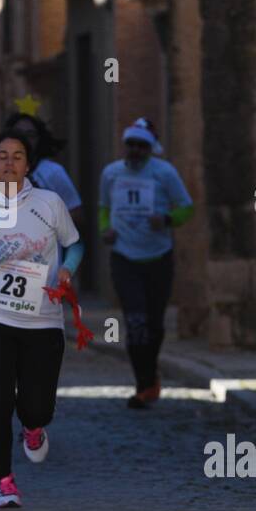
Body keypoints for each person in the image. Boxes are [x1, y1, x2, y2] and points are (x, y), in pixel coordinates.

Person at [0, 130, 82, 508]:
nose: (10, 163)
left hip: (43, 322)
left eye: (18, 156)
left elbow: (75, 243)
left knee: (38, 406)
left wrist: (68, 269)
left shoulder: (49, 203)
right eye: (2, 156)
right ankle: (4, 482)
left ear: (28, 164)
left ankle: (33, 426)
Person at [99, 117, 194, 410]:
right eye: (131, 145)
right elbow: (104, 207)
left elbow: (186, 208)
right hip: (124, 257)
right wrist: (107, 230)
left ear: (151, 149)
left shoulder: (165, 173)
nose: (136, 151)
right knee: (135, 321)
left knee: (154, 323)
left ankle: (151, 376)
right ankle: (142, 385)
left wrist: (166, 219)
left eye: (142, 146)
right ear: (125, 146)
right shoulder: (111, 173)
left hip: (158, 257)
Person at [2, 112, 83, 228]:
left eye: (30, 135)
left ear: (39, 139)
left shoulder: (54, 172)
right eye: (18, 134)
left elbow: (76, 214)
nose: (24, 140)